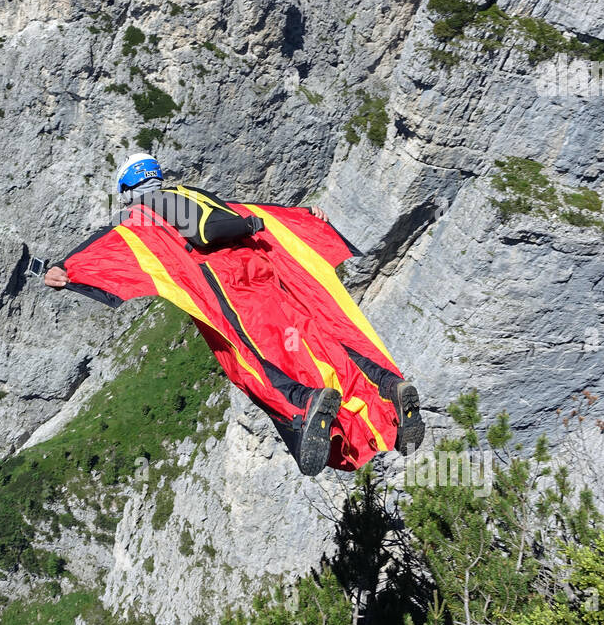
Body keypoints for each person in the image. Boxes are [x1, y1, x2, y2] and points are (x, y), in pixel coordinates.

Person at [44, 153, 423, 475]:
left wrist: (67, 268)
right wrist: (305, 214)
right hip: (266, 273)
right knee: (315, 341)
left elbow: (112, 249)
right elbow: (258, 214)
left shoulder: (143, 218)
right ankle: (388, 392)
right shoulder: (194, 196)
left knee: (250, 361)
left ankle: (303, 406)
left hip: (229, 290)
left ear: (128, 191)